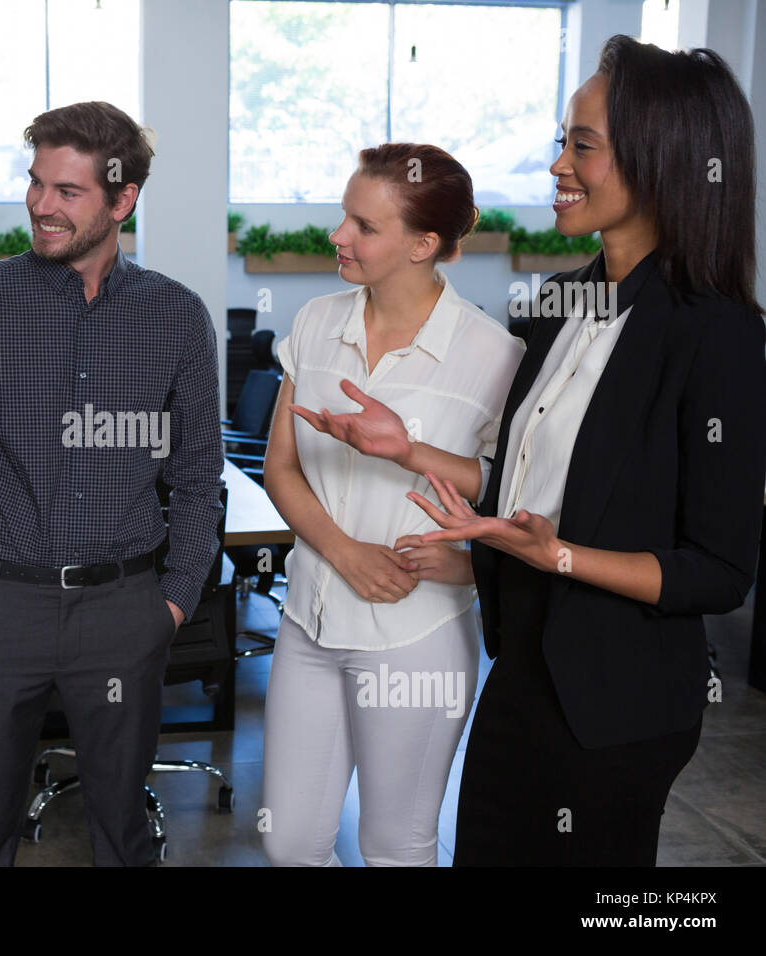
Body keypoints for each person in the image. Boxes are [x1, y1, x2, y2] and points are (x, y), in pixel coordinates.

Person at [299, 36, 766, 865]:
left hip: (617, 697)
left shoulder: (717, 333)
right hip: (522, 666)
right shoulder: (559, 301)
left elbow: (718, 570)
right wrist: (411, 451)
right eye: (562, 141)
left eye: (581, 145)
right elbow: (521, 488)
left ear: (660, 161)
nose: (557, 165)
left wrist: (557, 557)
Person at [0, 100, 223, 867]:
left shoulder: (175, 316)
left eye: (67, 191)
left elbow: (200, 478)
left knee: (125, 833)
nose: (41, 204)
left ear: (121, 199)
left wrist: (169, 605)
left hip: (123, 611)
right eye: (36, 182)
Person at [260, 143, 526, 866]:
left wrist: (471, 563)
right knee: (287, 843)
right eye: (344, 217)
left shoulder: (495, 357)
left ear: (424, 244)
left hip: (415, 636)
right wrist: (343, 553)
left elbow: (525, 500)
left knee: (394, 844)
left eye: (363, 226)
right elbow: (281, 468)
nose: (338, 237)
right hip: (309, 619)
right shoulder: (316, 322)